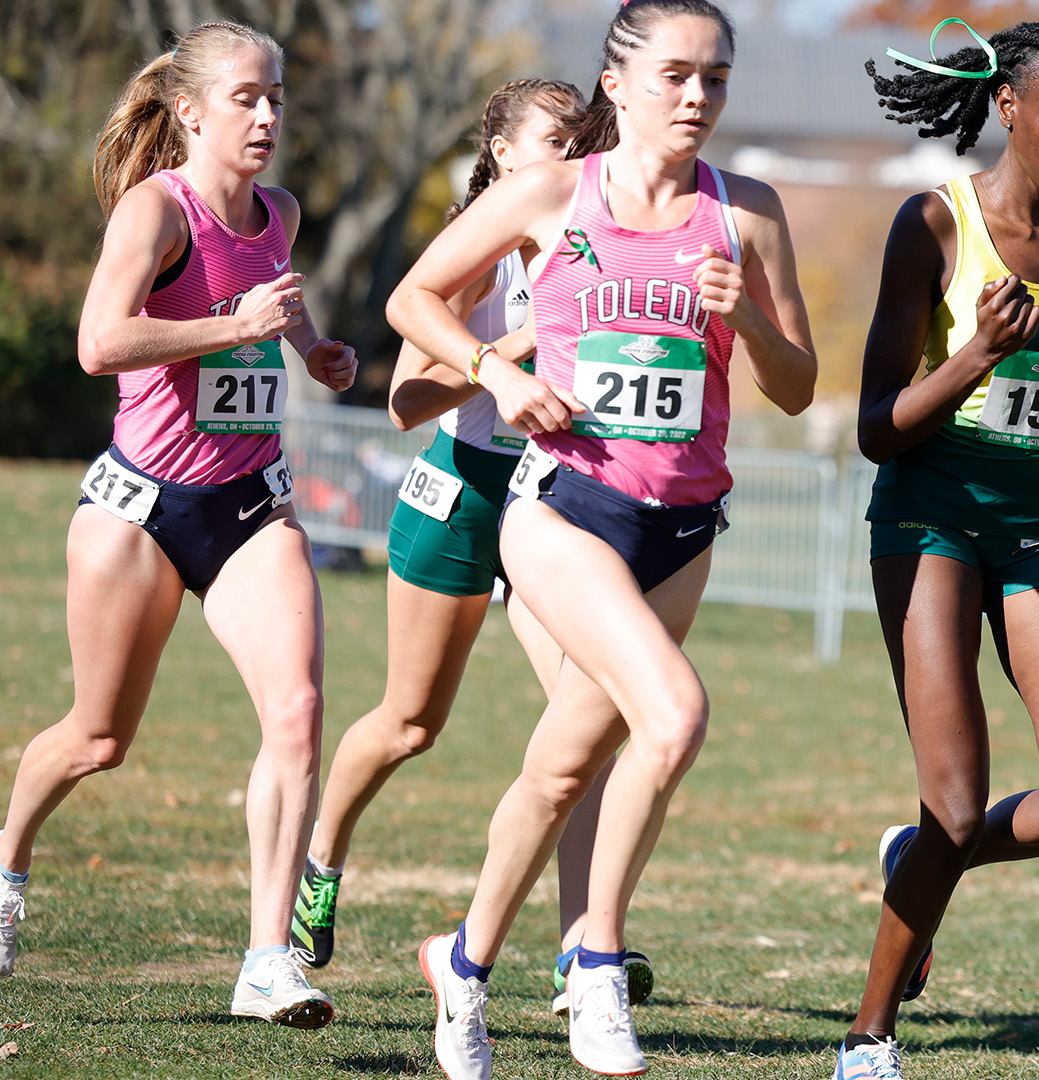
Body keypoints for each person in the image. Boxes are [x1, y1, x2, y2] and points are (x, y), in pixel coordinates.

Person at [385, 2, 815, 1076]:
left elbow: (800, 387)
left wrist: (749, 321)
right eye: (675, 75)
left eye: (716, 78)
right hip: (564, 510)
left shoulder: (748, 212)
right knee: (673, 716)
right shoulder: (550, 193)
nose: (698, 97)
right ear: (617, 86)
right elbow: (412, 298)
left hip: (684, 526)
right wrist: (496, 371)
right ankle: (598, 967)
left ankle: (462, 965)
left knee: (563, 767)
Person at [0, 21, 356, 1028]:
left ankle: (267, 961)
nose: (268, 115)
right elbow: (99, 341)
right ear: (191, 112)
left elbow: (278, 311)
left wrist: (316, 351)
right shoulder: (156, 211)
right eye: (247, 98)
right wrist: (234, 327)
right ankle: (7, 871)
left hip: (249, 505)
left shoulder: (279, 213)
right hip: (141, 510)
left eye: (277, 97)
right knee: (98, 737)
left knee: (297, 713)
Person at [291, 74, 648, 1014]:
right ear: (501, 154)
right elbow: (405, 403)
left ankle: (581, 950)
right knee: (411, 724)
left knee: (588, 722)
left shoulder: (591, 238)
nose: (573, 160)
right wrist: (513, 352)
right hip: (458, 493)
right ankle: (320, 857)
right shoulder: (477, 253)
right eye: (555, 143)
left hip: (554, 500)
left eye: (584, 143)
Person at [833, 18, 1039, 1080]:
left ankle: (921, 860)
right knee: (955, 806)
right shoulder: (933, 223)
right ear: (1009, 106)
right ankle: (868, 1038)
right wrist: (973, 357)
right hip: (932, 520)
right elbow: (876, 427)